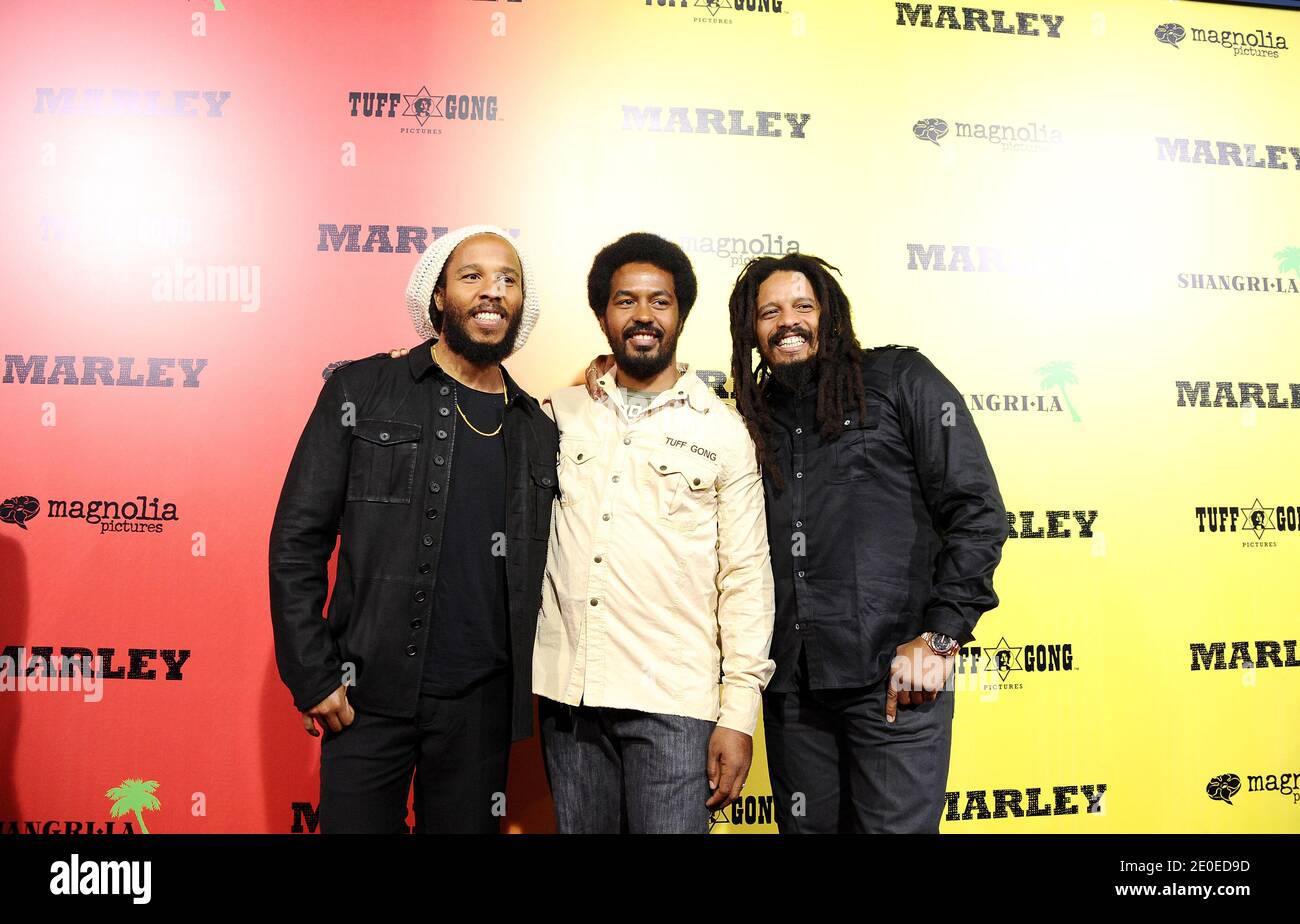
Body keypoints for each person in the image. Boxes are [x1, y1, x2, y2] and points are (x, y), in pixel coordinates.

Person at [268, 224, 558, 833]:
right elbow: (298, 537)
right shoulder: (363, 389)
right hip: (367, 694)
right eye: (473, 276)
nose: (493, 291)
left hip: (481, 707)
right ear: (437, 297)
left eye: (509, 280)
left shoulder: (536, 427)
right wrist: (312, 672)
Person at [535, 232, 775, 833]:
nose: (643, 315)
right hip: (571, 698)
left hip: (674, 704)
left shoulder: (723, 432)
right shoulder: (558, 415)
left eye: (659, 301)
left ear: (681, 313)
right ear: (601, 314)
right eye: (625, 300)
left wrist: (738, 713)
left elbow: (745, 575)